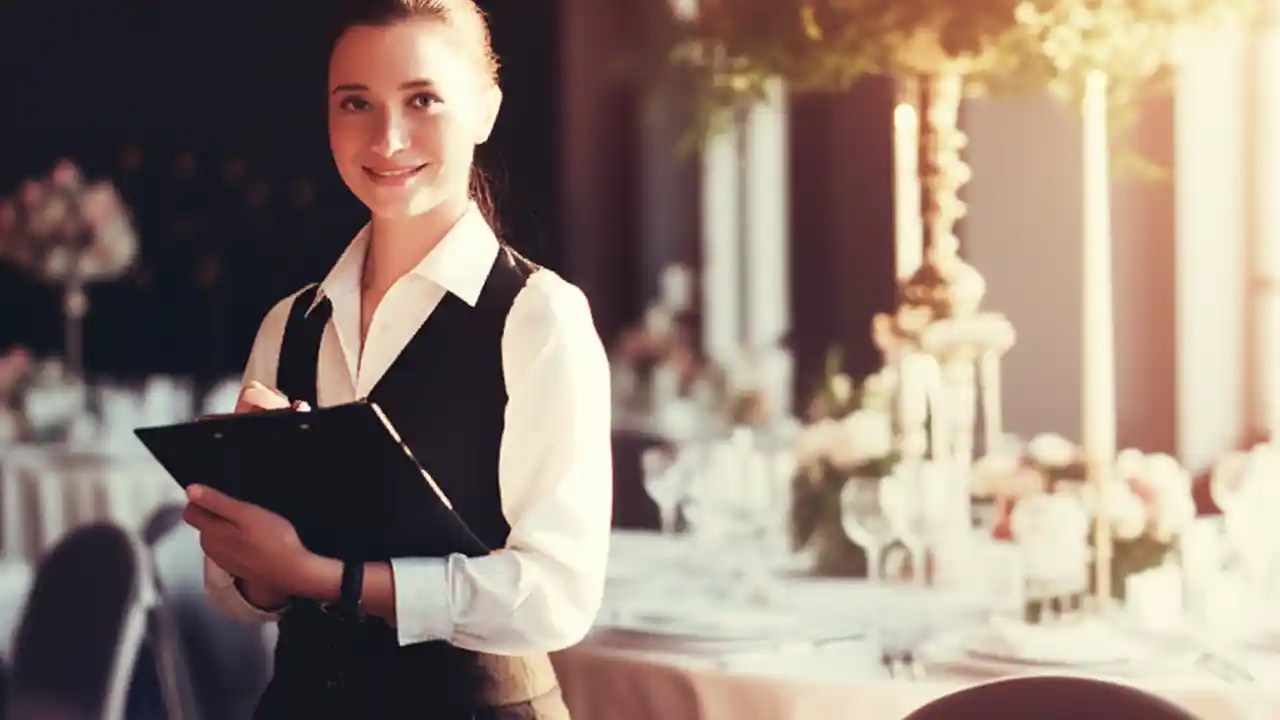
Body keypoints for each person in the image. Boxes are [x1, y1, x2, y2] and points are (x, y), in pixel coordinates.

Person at [180, 1, 612, 717]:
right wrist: (256, 557)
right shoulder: (290, 324)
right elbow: (241, 599)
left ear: (484, 110)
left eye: (423, 100)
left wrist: (324, 575)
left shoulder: (540, 316)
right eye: (356, 103)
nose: (387, 137)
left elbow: (558, 598)